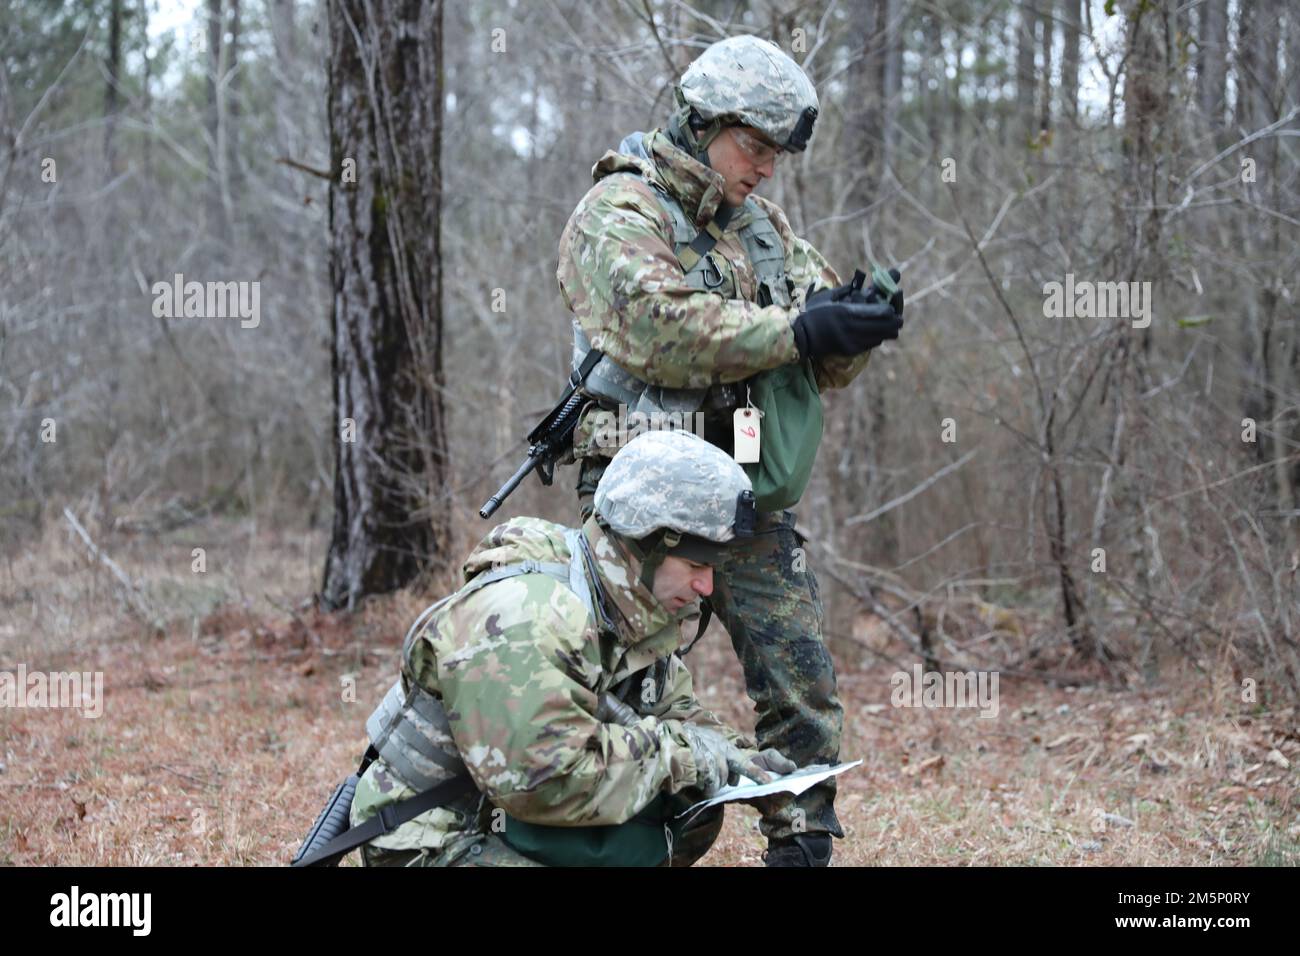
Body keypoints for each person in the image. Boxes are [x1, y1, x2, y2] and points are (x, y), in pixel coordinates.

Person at [556, 35, 905, 866]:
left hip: (741, 486)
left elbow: (814, 349)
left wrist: (854, 324)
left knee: (801, 677)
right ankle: (604, 841)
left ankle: (802, 844)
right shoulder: (621, 210)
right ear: (701, 120)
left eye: (777, 156)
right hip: (641, 494)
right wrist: (798, 328)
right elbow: (658, 330)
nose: (764, 170)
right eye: (754, 148)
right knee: (630, 687)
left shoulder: (763, 230)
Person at [349, 430, 796, 867]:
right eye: (697, 564)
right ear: (644, 544)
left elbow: (672, 712)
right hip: (436, 836)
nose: (706, 586)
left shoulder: (631, 605)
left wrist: (739, 759)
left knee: (688, 812)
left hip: (505, 817)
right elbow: (541, 781)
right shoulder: (531, 612)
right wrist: (686, 757)